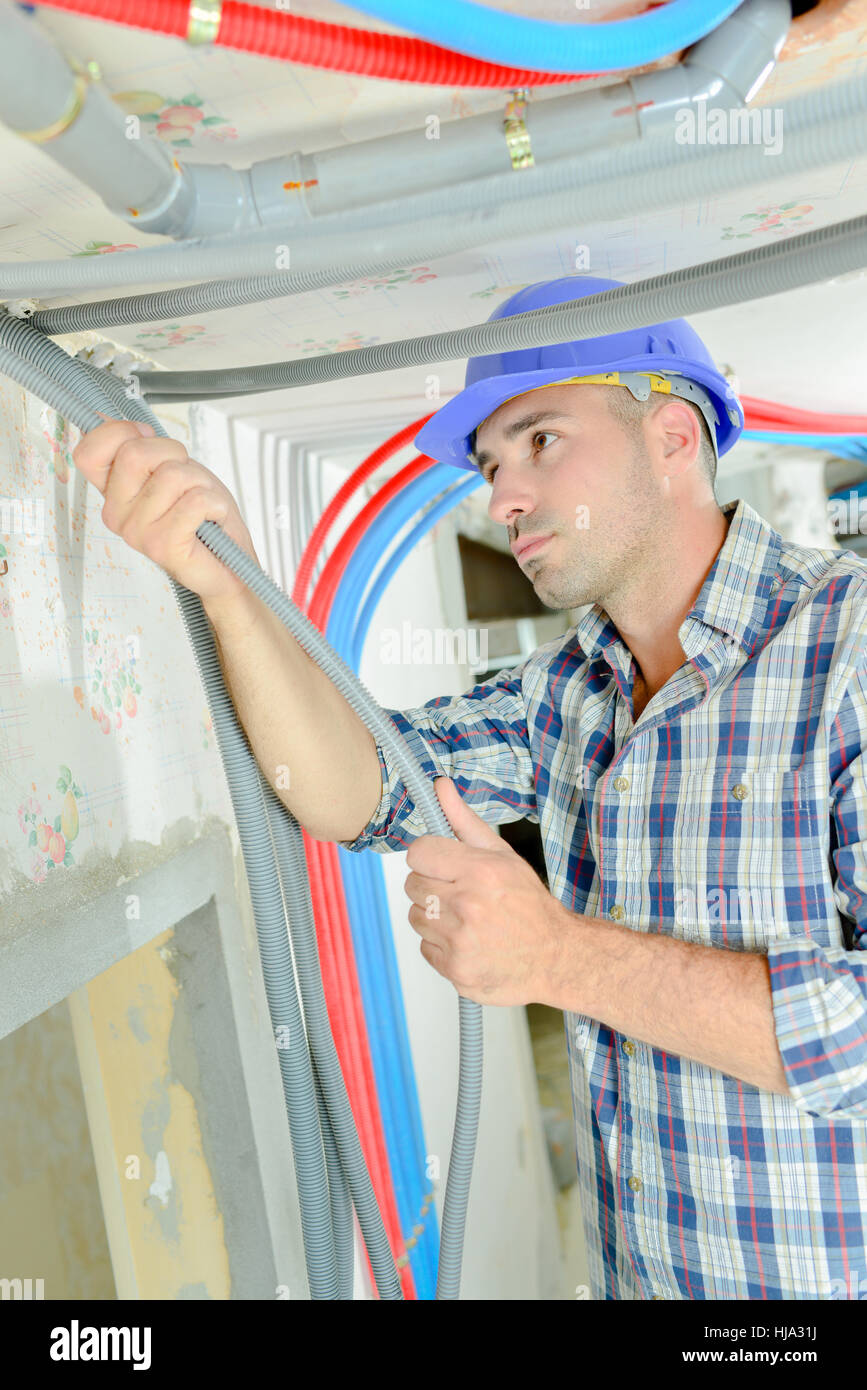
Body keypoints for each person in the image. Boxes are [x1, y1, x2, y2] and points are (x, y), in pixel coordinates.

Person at [72, 275, 867, 1302]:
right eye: (492, 465)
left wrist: (557, 955)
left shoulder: (845, 641)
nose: (503, 499)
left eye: (539, 441)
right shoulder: (573, 691)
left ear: (673, 436)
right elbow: (354, 786)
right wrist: (229, 581)